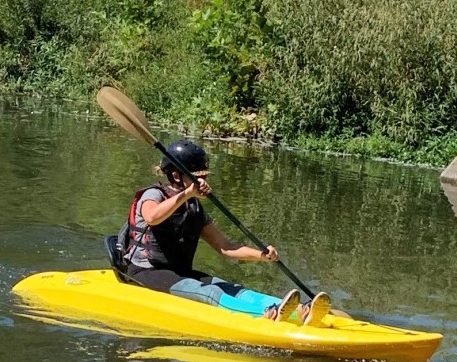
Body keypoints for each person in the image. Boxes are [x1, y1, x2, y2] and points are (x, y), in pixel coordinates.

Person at [114, 139, 327, 324]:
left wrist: (262, 255)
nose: (204, 181)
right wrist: (188, 194)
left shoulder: (195, 208)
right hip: (146, 272)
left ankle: (295, 308)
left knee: (234, 289)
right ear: (177, 176)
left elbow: (225, 247)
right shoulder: (153, 195)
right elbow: (152, 216)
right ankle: (277, 314)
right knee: (211, 292)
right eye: (198, 176)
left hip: (179, 272)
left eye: (204, 176)